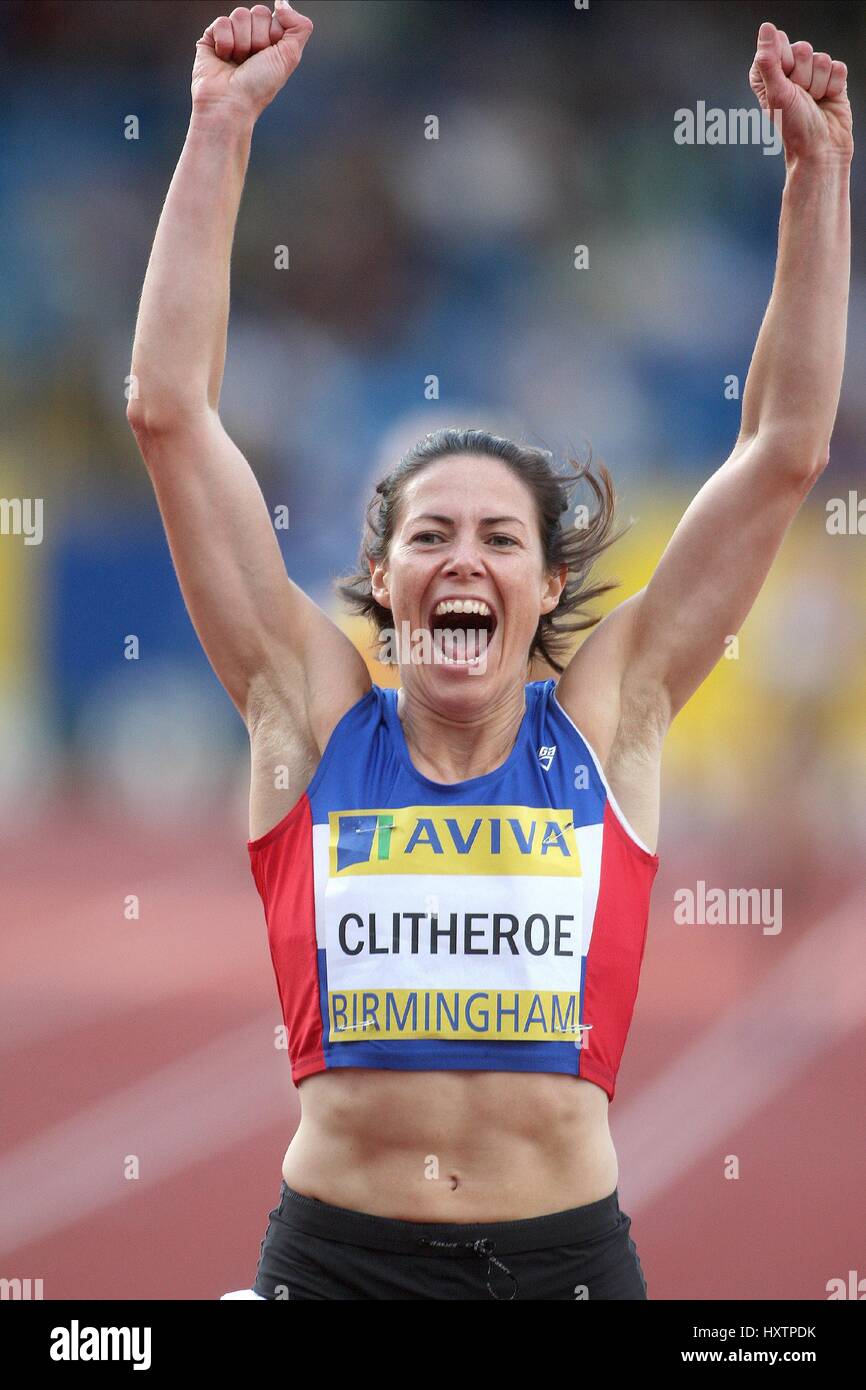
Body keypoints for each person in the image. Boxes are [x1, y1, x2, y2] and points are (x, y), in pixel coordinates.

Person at [126, 5, 852, 1300]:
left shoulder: (609, 718)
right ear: (382, 576)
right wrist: (219, 127)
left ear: (547, 582)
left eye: (497, 537)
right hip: (335, 1262)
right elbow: (170, 412)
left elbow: (784, 446)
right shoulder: (306, 716)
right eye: (430, 533)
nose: (462, 556)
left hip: (562, 1263)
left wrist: (814, 176)